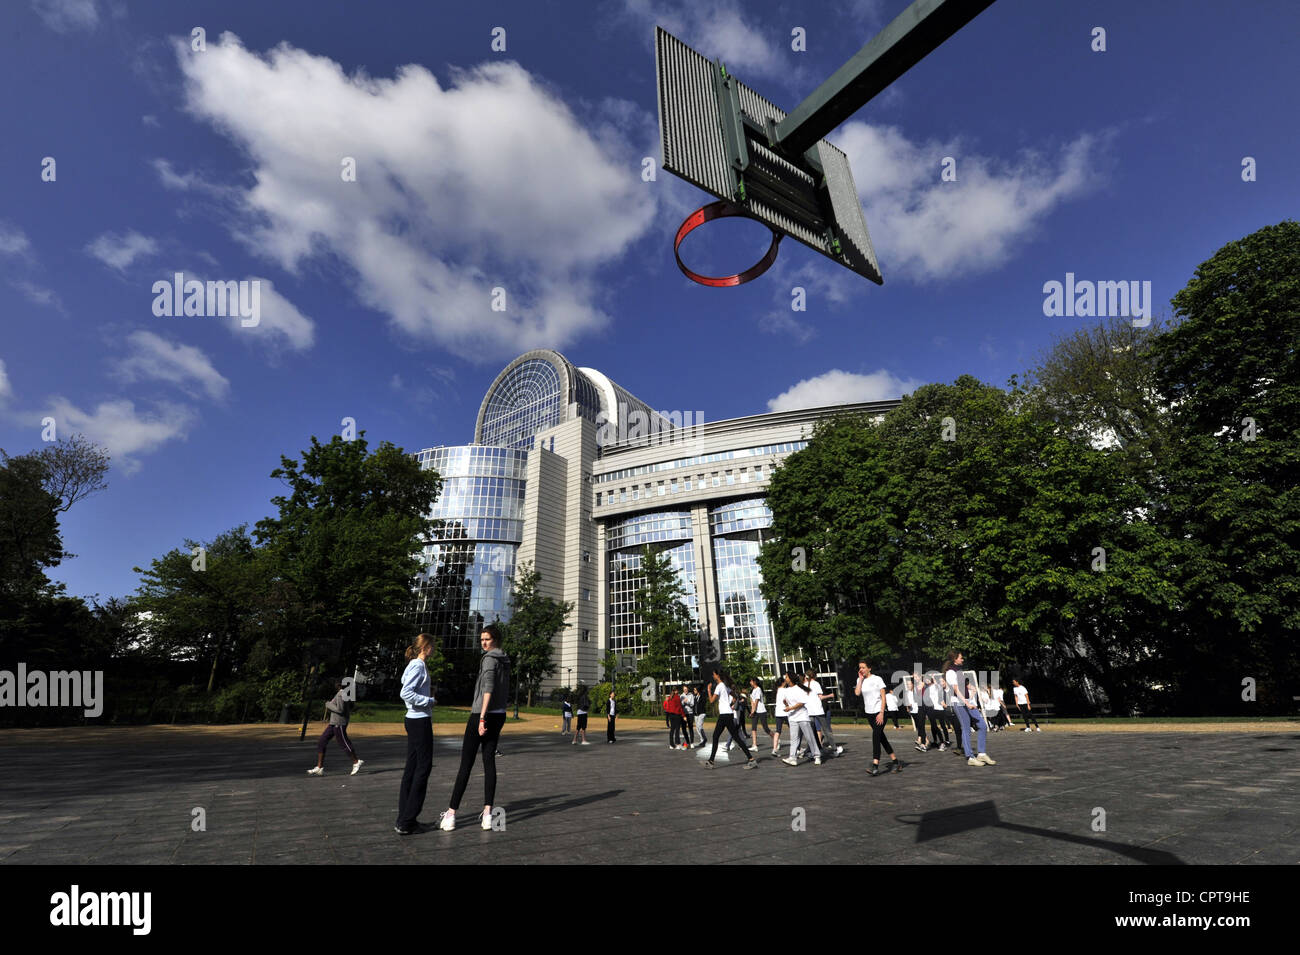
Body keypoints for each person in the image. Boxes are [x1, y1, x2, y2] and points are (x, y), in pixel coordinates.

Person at [438, 624, 511, 832]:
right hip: (499, 715)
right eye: (481, 640)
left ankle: (451, 814)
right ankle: (488, 814)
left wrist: (481, 718)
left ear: (495, 639)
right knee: (489, 762)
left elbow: (488, 687)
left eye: (487, 639)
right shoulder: (505, 660)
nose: (483, 643)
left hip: (483, 714)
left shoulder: (489, 659)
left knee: (466, 764)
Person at [395, 633, 436, 835]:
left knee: (412, 768)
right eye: (432, 646)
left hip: (413, 720)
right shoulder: (418, 666)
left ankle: (404, 819)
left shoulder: (413, 665)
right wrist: (428, 701)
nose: (434, 649)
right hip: (419, 721)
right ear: (425, 647)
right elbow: (405, 692)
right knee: (423, 767)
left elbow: (406, 685)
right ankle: (408, 820)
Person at [945, 651, 995, 767]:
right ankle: (970, 757)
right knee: (966, 729)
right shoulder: (950, 673)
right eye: (961, 658)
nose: (962, 659)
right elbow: (956, 690)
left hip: (968, 702)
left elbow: (964, 686)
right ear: (955, 659)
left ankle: (981, 753)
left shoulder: (959, 671)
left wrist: (971, 689)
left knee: (982, 725)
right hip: (960, 703)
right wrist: (967, 703)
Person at [308, 680, 364, 777]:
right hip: (333, 723)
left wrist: (328, 704)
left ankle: (356, 762)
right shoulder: (343, 694)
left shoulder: (341, 694)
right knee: (322, 741)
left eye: (336, 683)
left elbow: (340, 710)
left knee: (344, 743)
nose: (335, 685)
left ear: (339, 686)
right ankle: (319, 767)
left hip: (339, 723)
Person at [855, 660, 901, 775]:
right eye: (860, 668)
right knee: (881, 738)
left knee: (875, 737)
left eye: (863, 667)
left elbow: (883, 696)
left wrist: (881, 712)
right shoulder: (860, 680)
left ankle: (875, 765)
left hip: (880, 713)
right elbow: (857, 693)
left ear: (869, 668)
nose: (861, 669)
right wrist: (860, 680)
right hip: (869, 713)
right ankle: (895, 762)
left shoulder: (877, 679)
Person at [704, 669, 757, 769]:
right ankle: (751, 759)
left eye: (713, 675)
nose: (713, 676)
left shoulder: (719, 686)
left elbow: (711, 701)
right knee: (736, 737)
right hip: (728, 714)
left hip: (724, 715)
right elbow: (735, 697)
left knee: (716, 736)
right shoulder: (725, 686)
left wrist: (708, 689)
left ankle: (711, 761)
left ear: (717, 675)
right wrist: (730, 705)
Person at [778, 672, 820, 766]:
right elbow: (788, 703)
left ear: (791, 678)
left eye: (787, 676)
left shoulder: (799, 689)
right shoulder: (786, 690)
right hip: (792, 717)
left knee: (809, 737)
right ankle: (792, 758)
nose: (785, 678)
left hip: (802, 716)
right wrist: (786, 704)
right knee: (794, 738)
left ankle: (816, 755)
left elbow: (801, 703)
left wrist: (790, 708)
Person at [805, 671, 843, 757]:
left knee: (812, 732)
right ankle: (834, 749)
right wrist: (829, 695)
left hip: (809, 711)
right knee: (827, 731)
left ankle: (812, 750)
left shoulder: (805, 685)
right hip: (818, 710)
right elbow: (821, 697)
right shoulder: (816, 684)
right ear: (815, 676)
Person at [749, 677, 779, 756]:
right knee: (753, 727)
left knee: (766, 728)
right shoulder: (752, 690)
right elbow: (752, 701)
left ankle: (776, 740)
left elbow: (757, 701)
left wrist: (754, 710)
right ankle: (754, 745)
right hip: (755, 711)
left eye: (751, 681)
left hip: (761, 711)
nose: (750, 682)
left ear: (754, 682)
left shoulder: (758, 689)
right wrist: (752, 711)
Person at [922, 674, 949, 750]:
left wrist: (933, 677)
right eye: (925, 679)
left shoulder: (937, 686)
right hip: (931, 709)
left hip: (939, 708)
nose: (926, 680)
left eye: (928, 679)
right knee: (933, 726)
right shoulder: (927, 688)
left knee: (940, 725)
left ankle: (943, 743)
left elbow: (938, 686)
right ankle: (935, 741)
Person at [900, 676, 926, 753]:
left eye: (909, 684)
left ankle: (922, 742)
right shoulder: (907, 693)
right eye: (907, 684)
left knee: (921, 727)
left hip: (919, 711)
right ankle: (923, 740)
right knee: (918, 727)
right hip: (913, 711)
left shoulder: (916, 690)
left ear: (913, 685)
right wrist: (907, 706)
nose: (908, 686)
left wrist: (917, 678)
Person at [692, 683, 708, 747]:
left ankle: (704, 739)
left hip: (702, 713)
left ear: (698, 690)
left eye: (695, 690)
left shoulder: (702, 696)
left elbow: (703, 702)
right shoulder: (695, 697)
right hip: (696, 714)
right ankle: (702, 740)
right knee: (697, 728)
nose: (694, 691)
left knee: (699, 726)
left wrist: (700, 695)